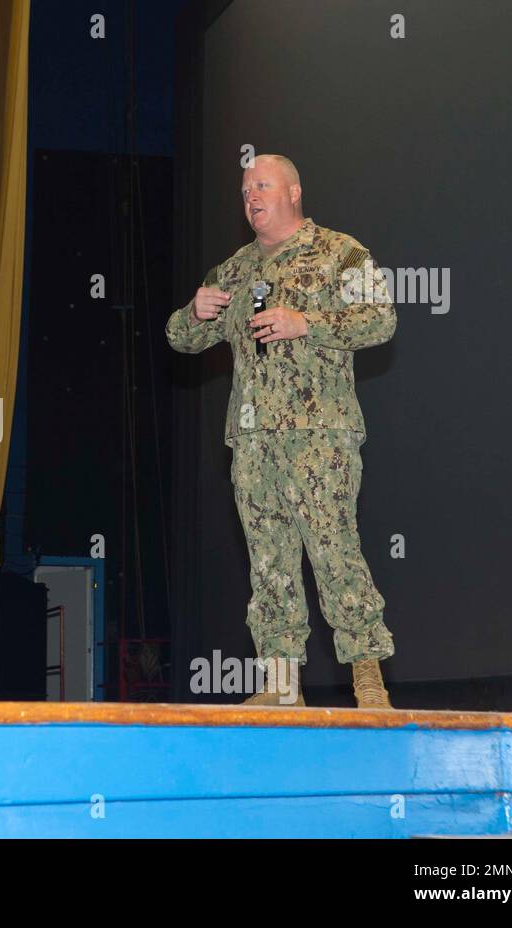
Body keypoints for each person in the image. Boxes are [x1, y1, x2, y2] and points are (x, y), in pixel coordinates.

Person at [166, 153, 397, 708]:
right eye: (245, 189)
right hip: (252, 441)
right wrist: (194, 313)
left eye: (262, 185)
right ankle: (279, 683)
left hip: (320, 434)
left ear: (294, 192)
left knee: (333, 549)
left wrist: (306, 323)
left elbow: (381, 318)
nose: (250, 197)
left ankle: (368, 677)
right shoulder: (234, 270)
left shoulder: (341, 252)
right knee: (268, 558)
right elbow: (180, 338)